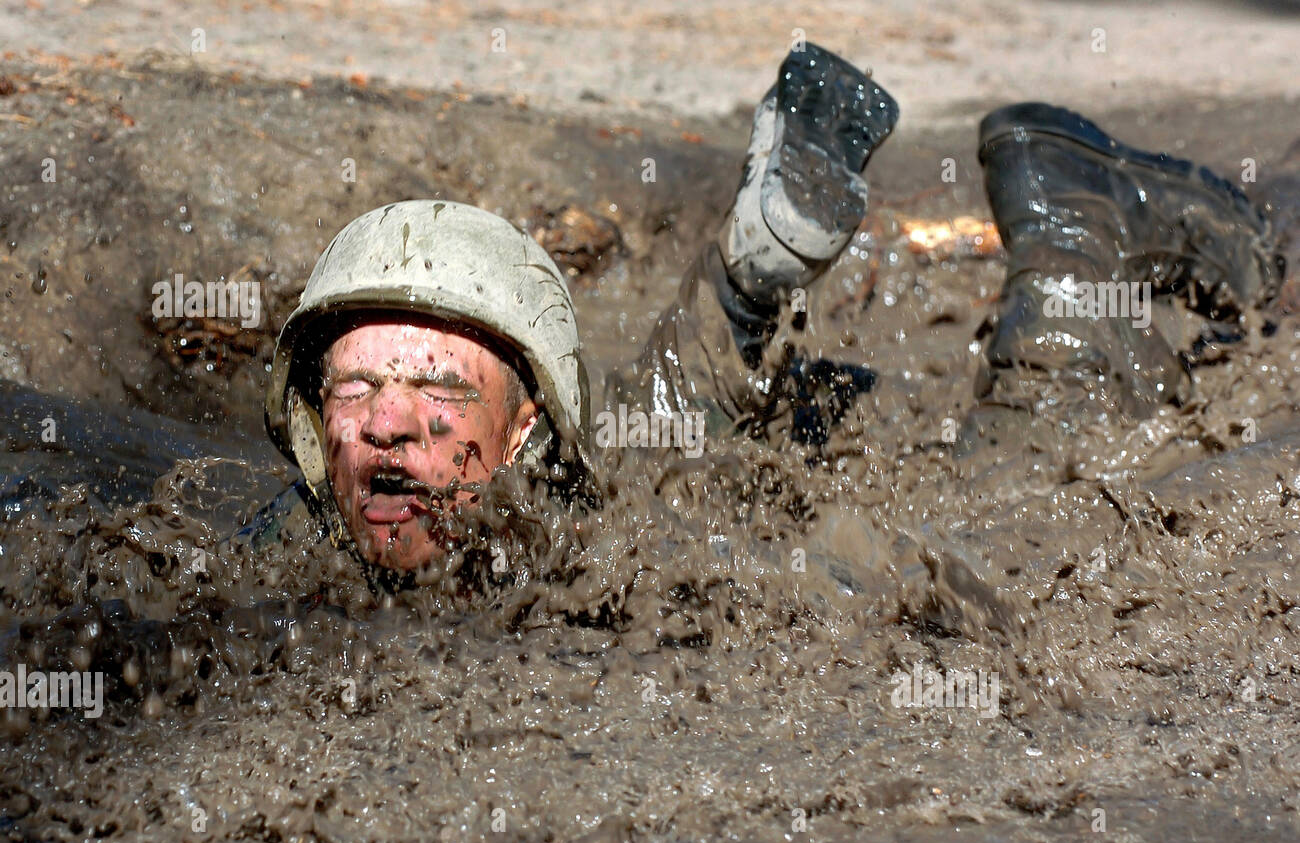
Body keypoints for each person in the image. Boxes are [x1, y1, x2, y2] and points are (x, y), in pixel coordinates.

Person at [241, 42, 1294, 584]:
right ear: (309, 414)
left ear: (521, 426)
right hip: (719, 432)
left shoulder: (571, 548)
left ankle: (1070, 245)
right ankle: (1054, 221)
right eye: (355, 385)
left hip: (843, 471)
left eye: (435, 388)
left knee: (1043, 516)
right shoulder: (252, 558)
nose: (384, 421)